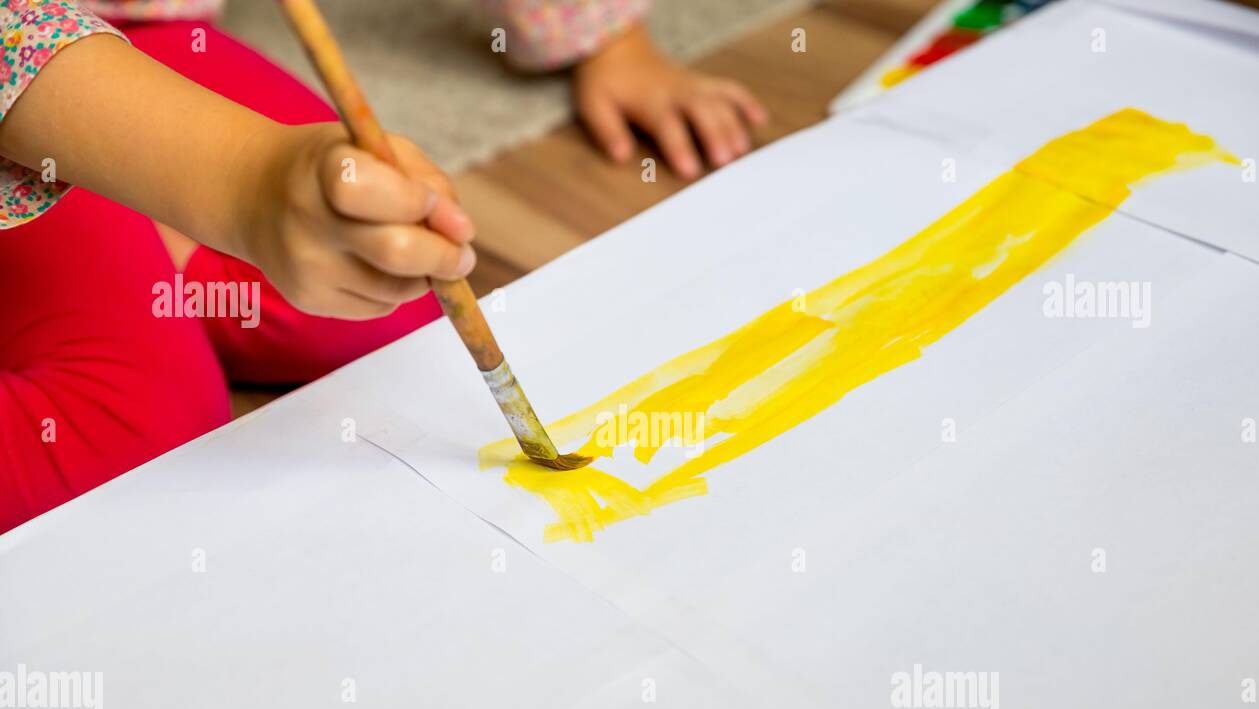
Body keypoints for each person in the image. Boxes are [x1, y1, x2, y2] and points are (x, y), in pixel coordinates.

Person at [0, 0, 767, 534]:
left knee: (378, 281)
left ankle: (144, 226)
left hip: (110, 26)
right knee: (135, 423)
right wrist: (231, 178)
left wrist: (600, 35)